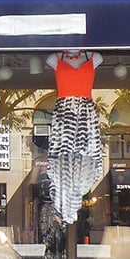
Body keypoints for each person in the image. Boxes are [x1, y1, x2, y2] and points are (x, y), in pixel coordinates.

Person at [45, 50, 103, 226]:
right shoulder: (55, 58)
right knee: (62, 156)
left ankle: (73, 199)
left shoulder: (94, 57)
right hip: (65, 113)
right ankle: (66, 204)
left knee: (86, 154)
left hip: (85, 113)